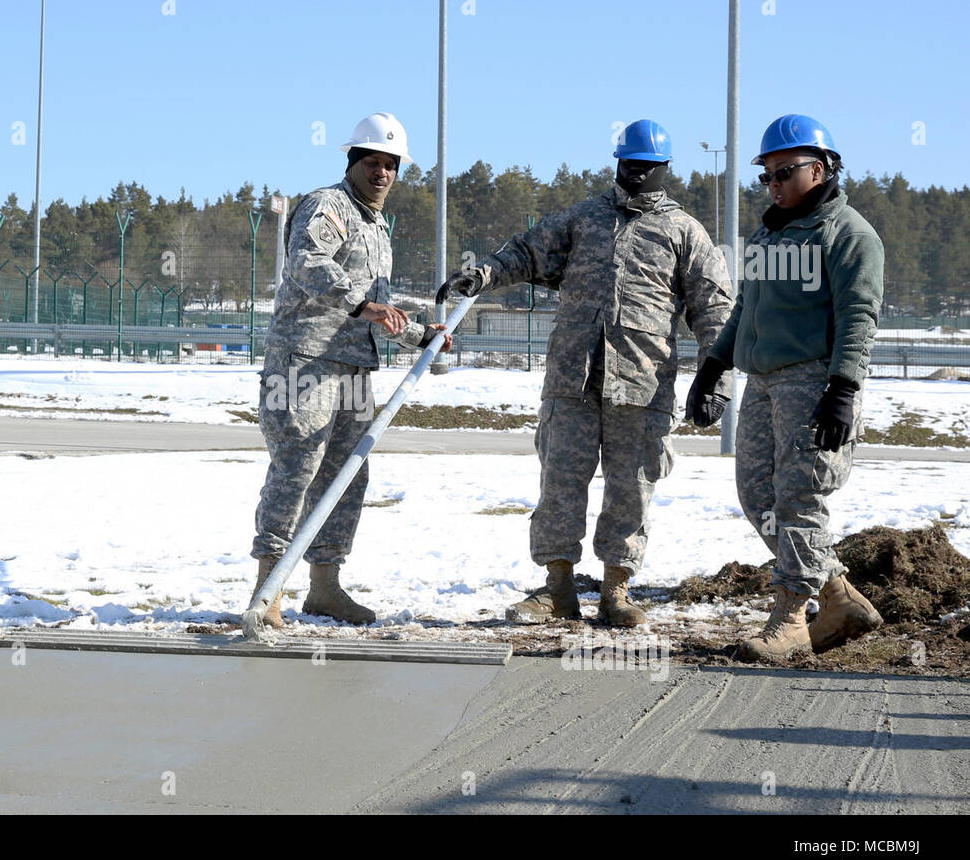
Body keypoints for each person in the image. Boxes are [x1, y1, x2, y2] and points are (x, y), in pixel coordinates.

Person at [445, 119, 733, 626]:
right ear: (617, 163)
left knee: (631, 488)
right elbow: (526, 252)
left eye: (647, 167)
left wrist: (717, 377)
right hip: (572, 381)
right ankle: (557, 588)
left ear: (665, 169)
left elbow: (714, 307)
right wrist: (482, 274)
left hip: (642, 386)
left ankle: (616, 591)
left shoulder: (684, 231)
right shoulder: (583, 218)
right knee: (559, 483)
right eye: (628, 165)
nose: (636, 174)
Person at [689, 114, 885, 662]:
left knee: (800, 498)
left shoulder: (850, 235)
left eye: (784, 172)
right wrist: (714, 365)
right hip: (765, 381)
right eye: (767, 175)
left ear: (818, 170)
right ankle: (840, 598)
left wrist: (842, 389)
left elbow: (858, 317)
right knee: (759, 496)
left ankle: (791, 618)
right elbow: (746, 308)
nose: (773, 184)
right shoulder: (769, 233)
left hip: (814, 379)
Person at [250, 112, 451, 627]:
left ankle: (324, 588)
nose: (382, 173)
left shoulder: (378, 226)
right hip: (305, 363)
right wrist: (364, 305)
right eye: (373, 162)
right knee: (297, 470)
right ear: (353, 161)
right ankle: (266, 591)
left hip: (355, 370)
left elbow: (378, 308)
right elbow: (307, 264)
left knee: (346, 478)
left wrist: (420, 337)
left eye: (391, 165)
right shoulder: (328, 206)